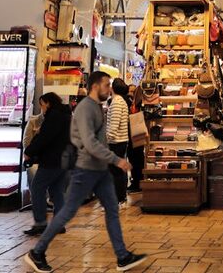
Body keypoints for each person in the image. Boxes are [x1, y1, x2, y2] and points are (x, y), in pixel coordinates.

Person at [25, 72, 147, 273]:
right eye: (106, 85)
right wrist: (116, 160)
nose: (109, 89)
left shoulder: (97, 107)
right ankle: (37, 252)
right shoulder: (85, 109)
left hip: (99, 170)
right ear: (95, 87)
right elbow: (90, 143)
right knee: (67, 212)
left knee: (112, 210)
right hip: (86, 170)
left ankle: (122, 256)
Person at [23, 93, 72, 236]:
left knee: (37, 187)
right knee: (57, 192)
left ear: (48, 103)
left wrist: (29, 151)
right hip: (64, 160)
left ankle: (40, 223)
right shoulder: (66, 116)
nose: (41, 107)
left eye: (42, 104)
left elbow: (44, 138)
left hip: (52, 160)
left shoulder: (54, 117)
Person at [106, 79, 130, 206]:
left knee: (114, 172)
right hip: (121, 140)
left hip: (116, 142)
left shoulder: (116, 103)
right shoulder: (122, 101)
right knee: (119, 170)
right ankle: (121, 197)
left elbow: (114, 125)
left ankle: (116, 199)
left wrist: (107, 139)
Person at [126, 84, 145, 194]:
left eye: (133, 92)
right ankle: (138, 181)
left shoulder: (134, 104)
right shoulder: (135, 103)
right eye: (130, 91)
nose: (131, 94)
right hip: (137, 135)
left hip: (135, 135)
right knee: (137, 158)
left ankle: (137, 182)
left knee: (135, 158)